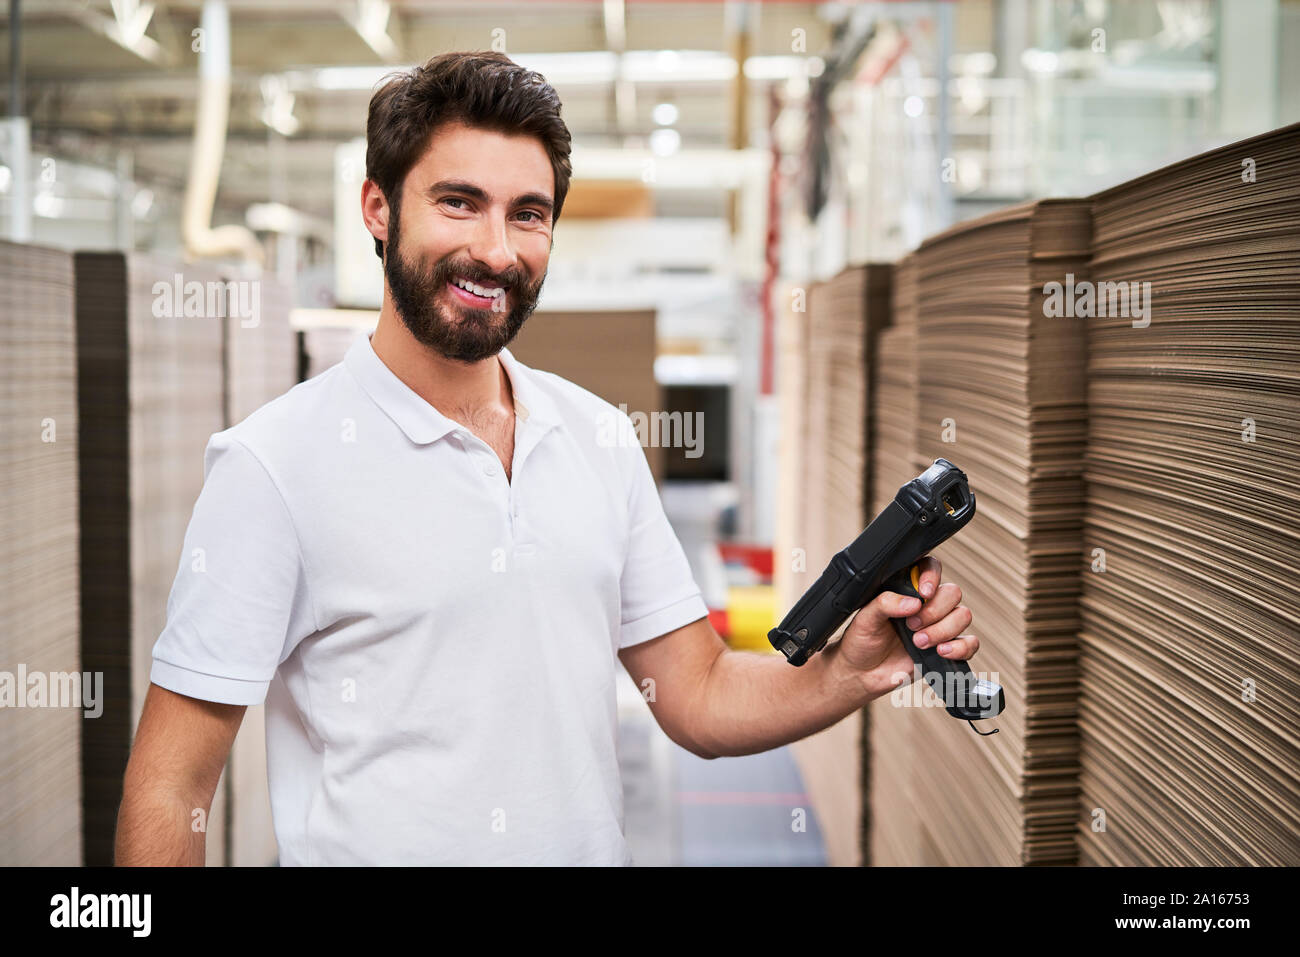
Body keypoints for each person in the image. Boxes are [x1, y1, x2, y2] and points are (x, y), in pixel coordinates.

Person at [115, 51, 980, 866]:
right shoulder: (273, 467)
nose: (496, 250)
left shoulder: (597, 437)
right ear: (378, 208)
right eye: (459, 201)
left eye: (527, 214)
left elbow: (699, 695)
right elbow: (170, 784)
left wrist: (849, 671)